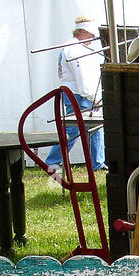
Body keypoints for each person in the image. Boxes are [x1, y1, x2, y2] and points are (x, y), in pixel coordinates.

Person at [43, 15, 106, 180]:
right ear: (84, 31)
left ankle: (97, 163)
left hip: (82, 94)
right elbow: (83, 78)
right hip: (78, 95)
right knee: (72, 129)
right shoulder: (74, 49)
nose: (93, 38)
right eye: (90, 34)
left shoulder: (77, 47)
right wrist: (93, 97)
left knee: (95, 127)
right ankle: (52, 162)